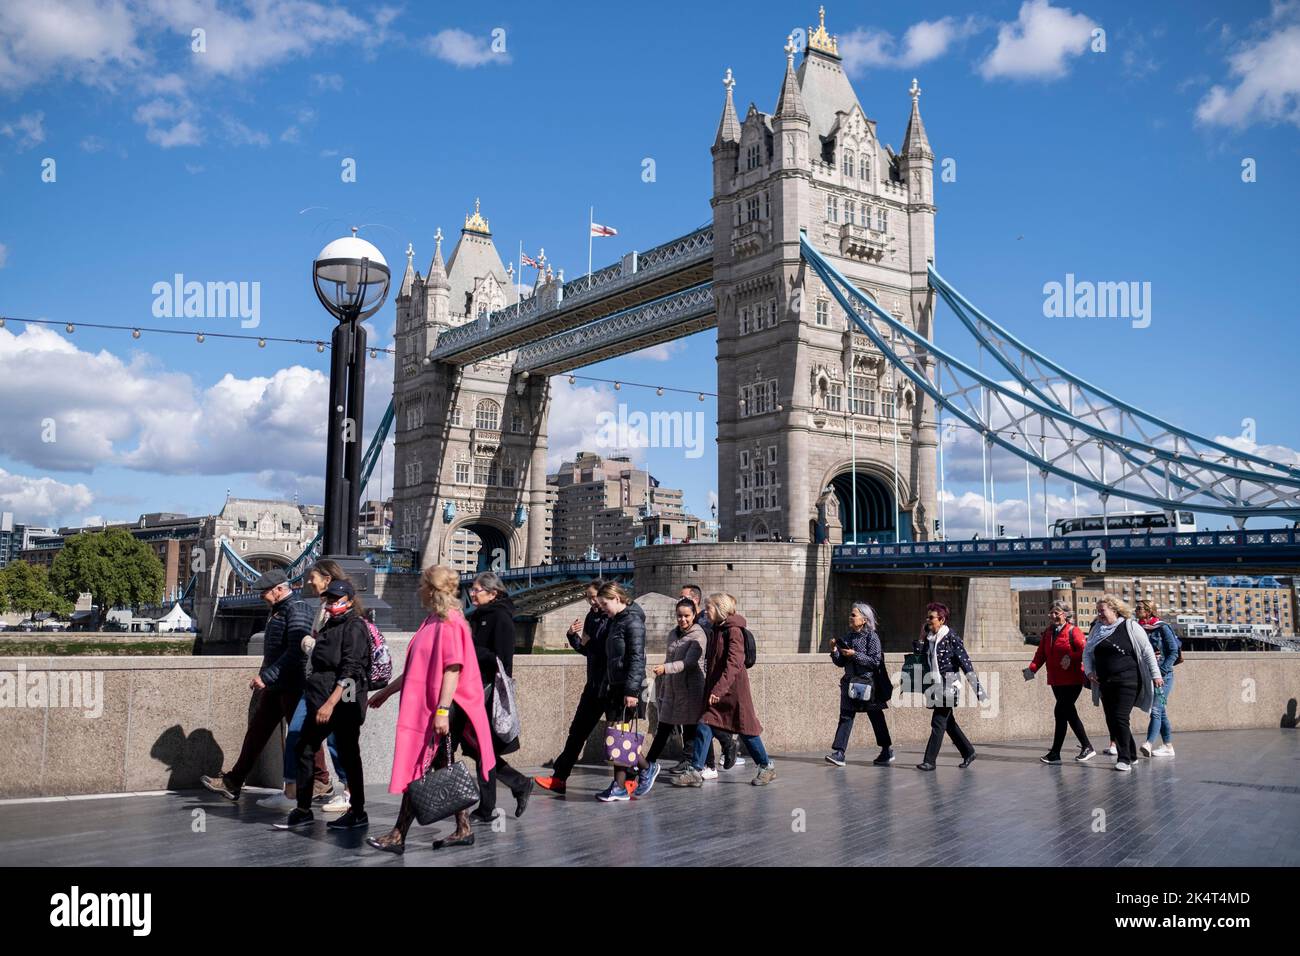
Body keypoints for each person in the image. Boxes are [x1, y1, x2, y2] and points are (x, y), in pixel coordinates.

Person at [366, 566, 496, 853]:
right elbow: (418, 670)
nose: (417, 591)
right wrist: (387, 692)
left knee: (419, 768)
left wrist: (441, 711)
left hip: (439, 709)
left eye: (421, 585)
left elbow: (452, 668)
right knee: (440, 768)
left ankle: (399, 835)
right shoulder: (432, 621)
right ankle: (463, 828)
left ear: (431, 589)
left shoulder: (450, 622)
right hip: (427, 707)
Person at [201, 569, 313, 802]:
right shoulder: (278, 610)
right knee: (257, 733)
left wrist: (267, 676)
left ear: (280, 589)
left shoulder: (297, 609)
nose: (261, 597)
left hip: (293, 685)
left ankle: (322, 782)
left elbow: (296, 652)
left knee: (301, 736)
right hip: (277, 685)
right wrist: (268, 676)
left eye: (264, 593)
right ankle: (233, 782)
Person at [274, 579, 369, 831]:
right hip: (319, 696)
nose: (330, 603)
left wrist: (330, 703)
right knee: (304, 747)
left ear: (349, 600)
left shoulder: (355, 626)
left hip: (344, 699)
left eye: (335, 599)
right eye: (328, 599)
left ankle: (358, 812)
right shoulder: (329, 625)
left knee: (349, 754)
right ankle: (303, 809)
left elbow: (351, 668)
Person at [259, 558, 351, 812]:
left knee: (335, 741)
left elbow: (339, 650)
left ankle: (348, 791)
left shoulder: (342, 611)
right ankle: (290, 792)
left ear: (327, 579)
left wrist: (309, 645)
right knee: (296, 734)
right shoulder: (321, 607)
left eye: (313, 577)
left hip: (332, 685)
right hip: (313, 684)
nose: (308, 581)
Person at [672, 592, 777, 787]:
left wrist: (718, 690)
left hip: (733, 691)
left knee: (747, 730)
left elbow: (734, 664)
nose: (705, 612)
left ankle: (766, 766)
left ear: (720, 609)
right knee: (704, 724)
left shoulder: (733, 631)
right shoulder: (717, 629)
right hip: (717, 689)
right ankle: (695, 771)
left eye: (709, 608)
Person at [466, 571, 534, 818]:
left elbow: (503, 660)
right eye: (471, 590)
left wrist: (471, 649)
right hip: (472, 689)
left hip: (488, 691)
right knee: (477, 748)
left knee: (482, 748)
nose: (472, 594)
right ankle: (518, 783)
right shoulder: (478, 616)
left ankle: (487, 807)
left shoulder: (501, 618)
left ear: (493, 593)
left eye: (476, 590)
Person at [535, 580, 608, 795]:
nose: (590, 601)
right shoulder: (591, 617)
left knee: (619, 736)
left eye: (593, 596)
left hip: (612, 686)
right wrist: (572, 636)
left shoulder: (614, 618)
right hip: (593, 684)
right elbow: (588, 650)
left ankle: (636, 774)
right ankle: (559, 778)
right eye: (588, 597)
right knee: (576, 732)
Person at [633, 598, 707, 797]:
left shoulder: (698, 635)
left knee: (691, 731)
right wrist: (664, 687)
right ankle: (647, 766)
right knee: (663, 728)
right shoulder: (673, 634)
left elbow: (690, 662)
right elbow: (669, 658)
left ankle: (694, 769)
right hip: (673, 688)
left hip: (691, 689)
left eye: (686, 616)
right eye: (679, 616)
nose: (682, 620)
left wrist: (666, 669)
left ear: (694, 615)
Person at [1083, 595, 1162, 772]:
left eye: (1102, 611)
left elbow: (1147, 651)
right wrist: (1089, 671)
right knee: (1113, 721)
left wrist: (1156, 675)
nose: (1099, 615)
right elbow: (1087, 652)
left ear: (1114, 609)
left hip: (1128, 680)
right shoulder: (1097, 629)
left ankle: (1124, 759)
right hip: (1105, 682)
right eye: (1098, 612)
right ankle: (1132, 755)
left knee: (1120, 717)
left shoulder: (1130, 626)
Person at [913, 602, 986, 771]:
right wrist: (921, 638)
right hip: (935, 684)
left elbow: (965, 663)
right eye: (927, 617)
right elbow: (918, 657)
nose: (928, 620)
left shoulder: (951, 637)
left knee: (938, 721)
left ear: (942, 619)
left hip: (949, 684)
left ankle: (929, 761)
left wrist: (979, 690)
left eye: (931, 618)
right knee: (949, 723)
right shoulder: (930, 639)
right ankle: (968, 752)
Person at [593, 582, 647, 803]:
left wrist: (632, 691)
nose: (603, 608)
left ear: (617, 598)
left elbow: (636, 658)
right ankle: (642, 771)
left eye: (604, 604)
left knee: (619, 736)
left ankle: (621, 785)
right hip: (615, 687)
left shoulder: (632, 622)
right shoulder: (616, 622)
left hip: (627, 688)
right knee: (618, 737)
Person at [1024, 599, 1095, 764]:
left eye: (1057, 612)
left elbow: (1085, 651)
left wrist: (1071, 657)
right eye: (1051, 613)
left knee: (1061, 712)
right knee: (1067, 713)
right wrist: (1032, 669)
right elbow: (1041, 654)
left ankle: (1057, 752)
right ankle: (1084, 747)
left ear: (1065, 615)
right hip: (1056, 680)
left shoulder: (1073, 631)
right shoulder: (1048, 633)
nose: (1053, 615)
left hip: (1072, 679)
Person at [825, 602, 894, 767]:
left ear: (864, 619)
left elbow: (876, 661)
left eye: (854, 615)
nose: (850, 617)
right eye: (851, 614)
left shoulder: (872, 637)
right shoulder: (848, 637)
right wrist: (834, 651)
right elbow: (841, 663)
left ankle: (886, 750)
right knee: (846, 716)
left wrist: (855, 655)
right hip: (850, 684)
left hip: (868, 685)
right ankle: (839, 753)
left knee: (876, 717)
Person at [675, 584, 726, 776]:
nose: (679, 600)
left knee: (703, 723)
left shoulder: (704, 622)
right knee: (693, 722)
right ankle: (690, 759)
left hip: (702, 679)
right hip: (688, 681)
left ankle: (716, 756)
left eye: (683, 597)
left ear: (695, 599)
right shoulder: (686, 620)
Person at [1136, 599, 1179, 758]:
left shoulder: (1162, 627)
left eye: (1139, 608)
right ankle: (1168, 746)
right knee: (1161, 712)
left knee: (1155, 709)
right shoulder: (1138, 628)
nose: (1136, 610)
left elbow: (1174, 652)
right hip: (1147, 676)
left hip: (1164, 677)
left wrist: (1160, 672)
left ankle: (1148, 743)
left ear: (1148, 611)